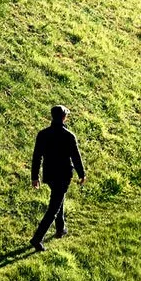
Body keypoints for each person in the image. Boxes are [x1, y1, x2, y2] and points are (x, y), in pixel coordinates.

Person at [30, 104, 85, 251]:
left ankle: (60, 229)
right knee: (53, 208)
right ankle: (37, 238)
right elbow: (76, 157)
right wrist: (82, 174)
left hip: (49, 175)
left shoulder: (42, 134)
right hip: (63, 175)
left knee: (58, 198)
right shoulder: (68, 136)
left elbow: (36, 157)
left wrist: (34, 177)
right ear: (64, 117)